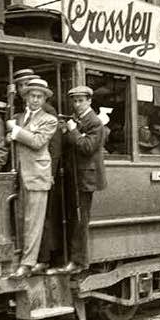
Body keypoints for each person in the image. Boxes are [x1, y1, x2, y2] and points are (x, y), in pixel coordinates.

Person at [6, 76, 58, 279]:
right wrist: (11, 133)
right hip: (19, 175)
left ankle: (27, 264)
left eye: (39, 96)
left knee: (33, 223)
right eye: (32, 96)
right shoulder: (19, 117)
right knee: (20, 220)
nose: (35, 99)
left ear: (44, 99)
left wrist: (16, 132)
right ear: (26, 97)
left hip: (37, 176)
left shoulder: (49, 119)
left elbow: (37, 142)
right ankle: (23, 260)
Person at [54, 85, 107, 274]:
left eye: (81, 101)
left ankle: (79, 262)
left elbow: (87, 147)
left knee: (80, 220)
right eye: (75, 101)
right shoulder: (76, 120)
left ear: (89, 101)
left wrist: (73, 131)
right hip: (73, 175)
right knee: (71, 217)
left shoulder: (94, 122)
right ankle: (69, 257)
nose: (77, 105)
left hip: (85, 177)